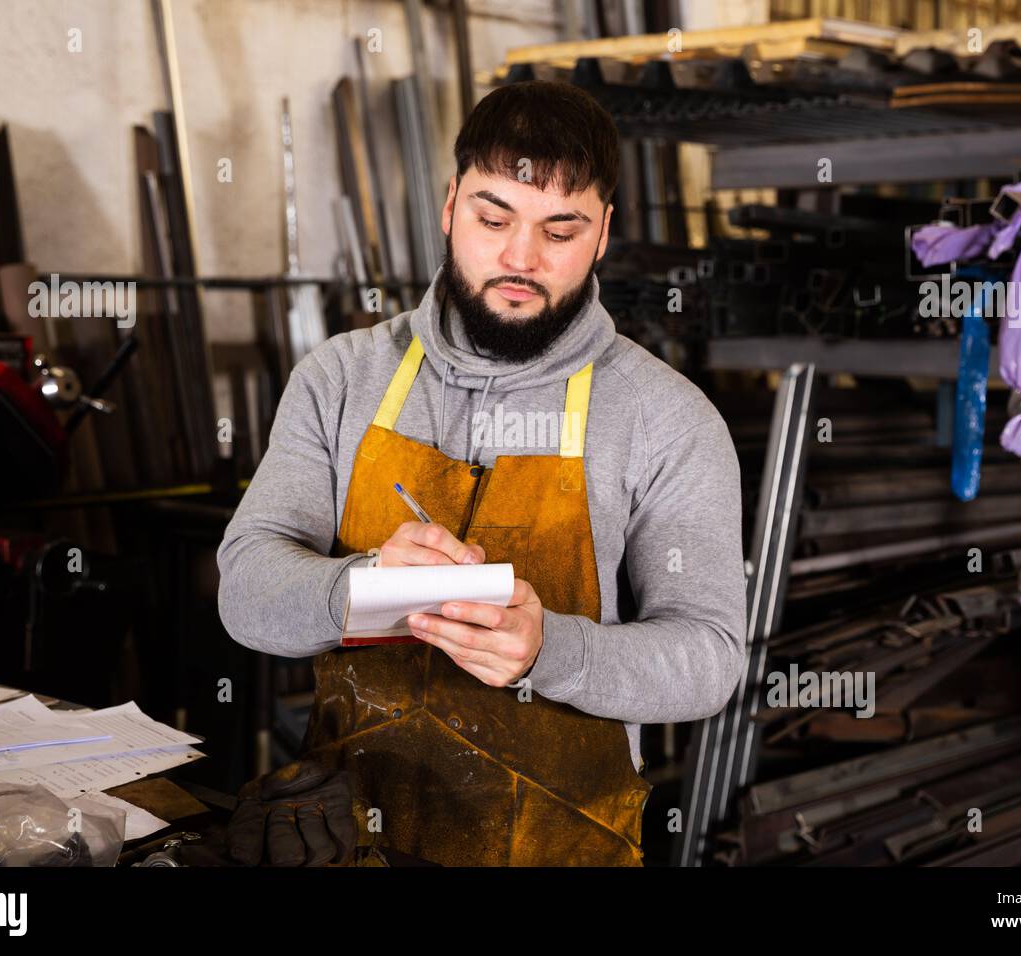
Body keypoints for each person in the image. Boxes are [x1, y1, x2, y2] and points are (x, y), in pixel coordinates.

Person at [218, 80, 747, 866]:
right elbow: (244, 593)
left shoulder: (666, 417)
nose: (520, 258)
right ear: (449, 206)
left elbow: (709, 659)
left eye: (560, 230)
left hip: (562, 850)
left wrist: (549, 651)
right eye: (492, 219)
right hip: (350, 841)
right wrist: (363, 585)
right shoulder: (342, 377)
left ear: (604, 233)